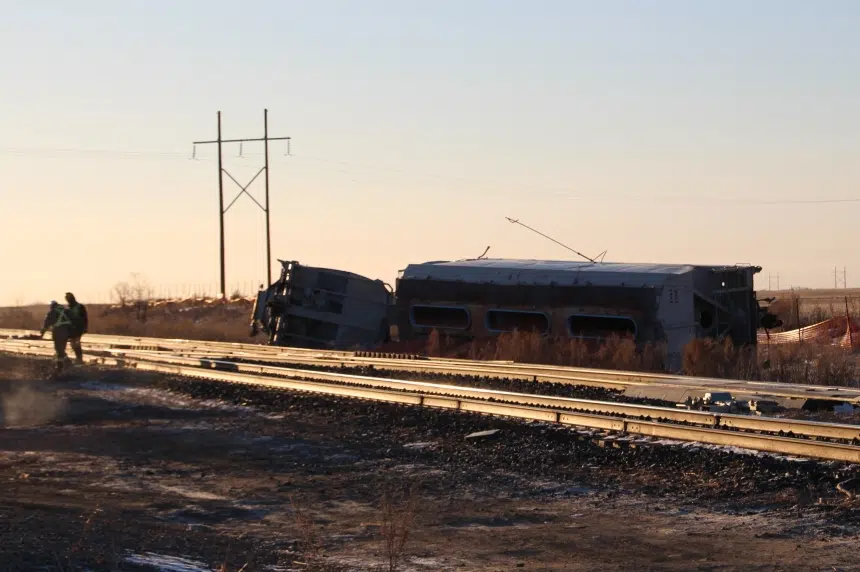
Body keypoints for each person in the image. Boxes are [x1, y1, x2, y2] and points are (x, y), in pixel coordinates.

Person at [40, 301, 73, 370]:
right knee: (61, 349)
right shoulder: (66, 311)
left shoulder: (52, 312)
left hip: (58, 333)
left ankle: (60, 366)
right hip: (67, 333)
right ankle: (66, 363)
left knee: (58, 350)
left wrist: (42, 333)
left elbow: (46, 323)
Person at [65, 292, 88, 364]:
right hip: (71, 329)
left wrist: (85, 327)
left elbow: (84, 318)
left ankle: (79, 359)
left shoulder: (79, 307)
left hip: (78, 328)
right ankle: (78, 358)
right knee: (73, 344)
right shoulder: (68, 308)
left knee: (77, 343)